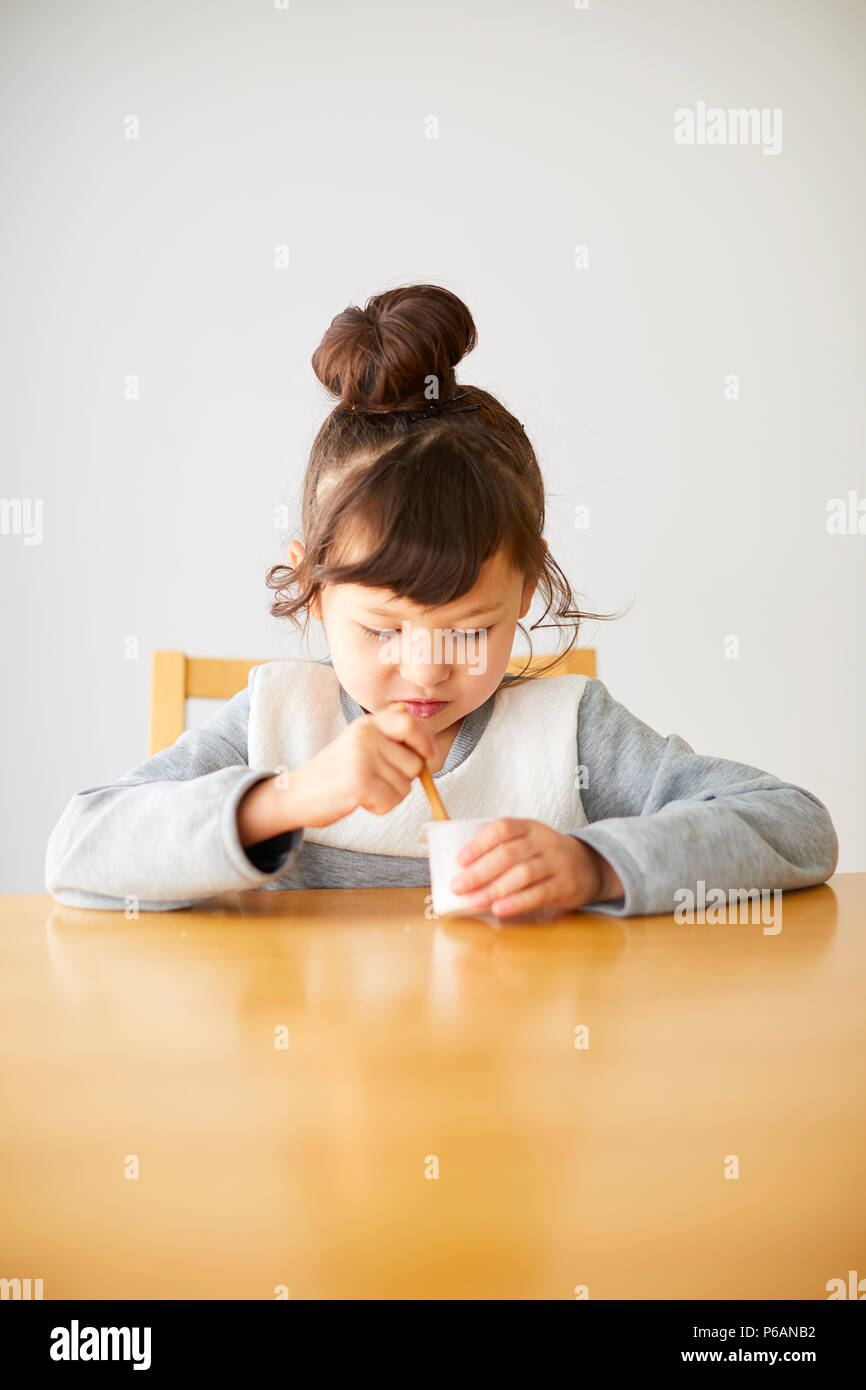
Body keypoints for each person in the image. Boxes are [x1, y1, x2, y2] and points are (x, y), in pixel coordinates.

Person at [45, 284, 838, 918]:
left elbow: (795, 826)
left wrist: (596, 866)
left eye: (470, 630)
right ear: (314, 594)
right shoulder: (275, 723)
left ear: (525, 592)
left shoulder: (569, 734)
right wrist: (289, 798)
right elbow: (78, 852)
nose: (424, 671)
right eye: (384, 630)